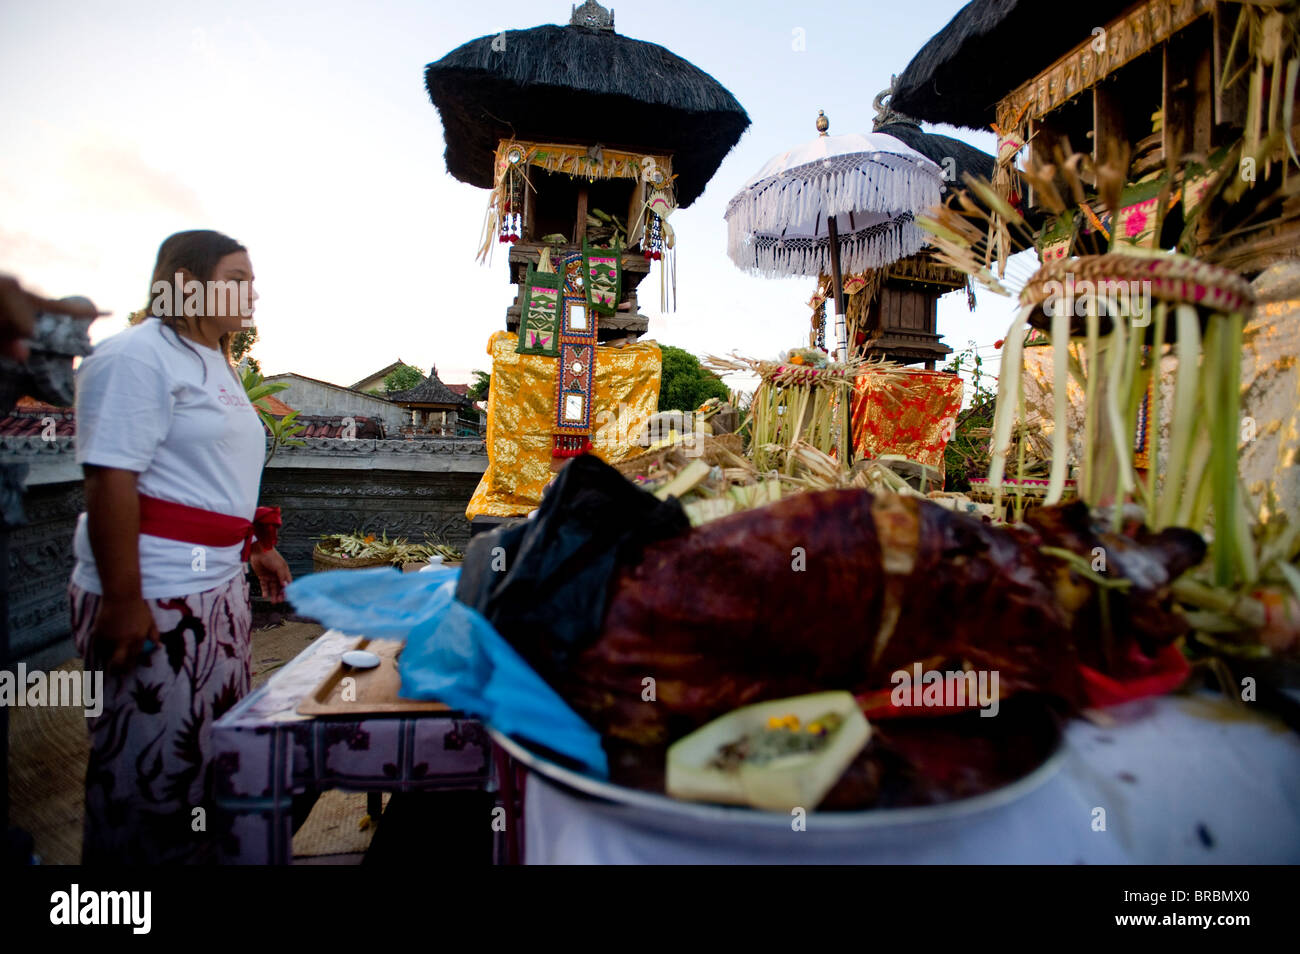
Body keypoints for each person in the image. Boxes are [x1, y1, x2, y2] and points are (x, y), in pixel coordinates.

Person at [69, 229, 292, 864]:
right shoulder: (137, 357)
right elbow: (110, 476)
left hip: (215, 588)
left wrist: (251, 545)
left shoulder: (214, 362)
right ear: (186, 284)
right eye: (238, 277)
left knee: (199, 756)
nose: (252, 291)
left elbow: (206, 477)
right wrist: (123, 598)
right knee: (145, 771)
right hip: (153, 592)